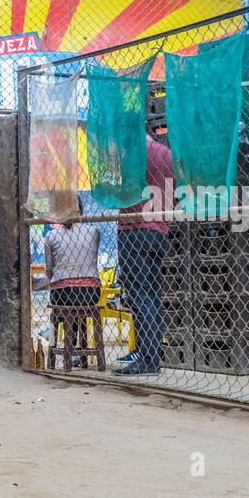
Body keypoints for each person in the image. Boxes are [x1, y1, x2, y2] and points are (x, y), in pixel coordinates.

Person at [114, 137, 172, 375]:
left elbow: (119, 189)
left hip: (134, 227)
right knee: (152, 295)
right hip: (159, 229)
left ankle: (147, 358)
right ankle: (149, 352)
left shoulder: (132, 151)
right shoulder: (167, 153)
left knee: (139, 295)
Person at [43, 190, 102, 366]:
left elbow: (49, 270)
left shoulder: (51, 236)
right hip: (90, 292)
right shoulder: (93, 231)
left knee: (60, 307)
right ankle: (76, 350)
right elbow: (92, 259)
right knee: (77, 308)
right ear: (80, 209)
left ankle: (53, 342)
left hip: (63, 293)